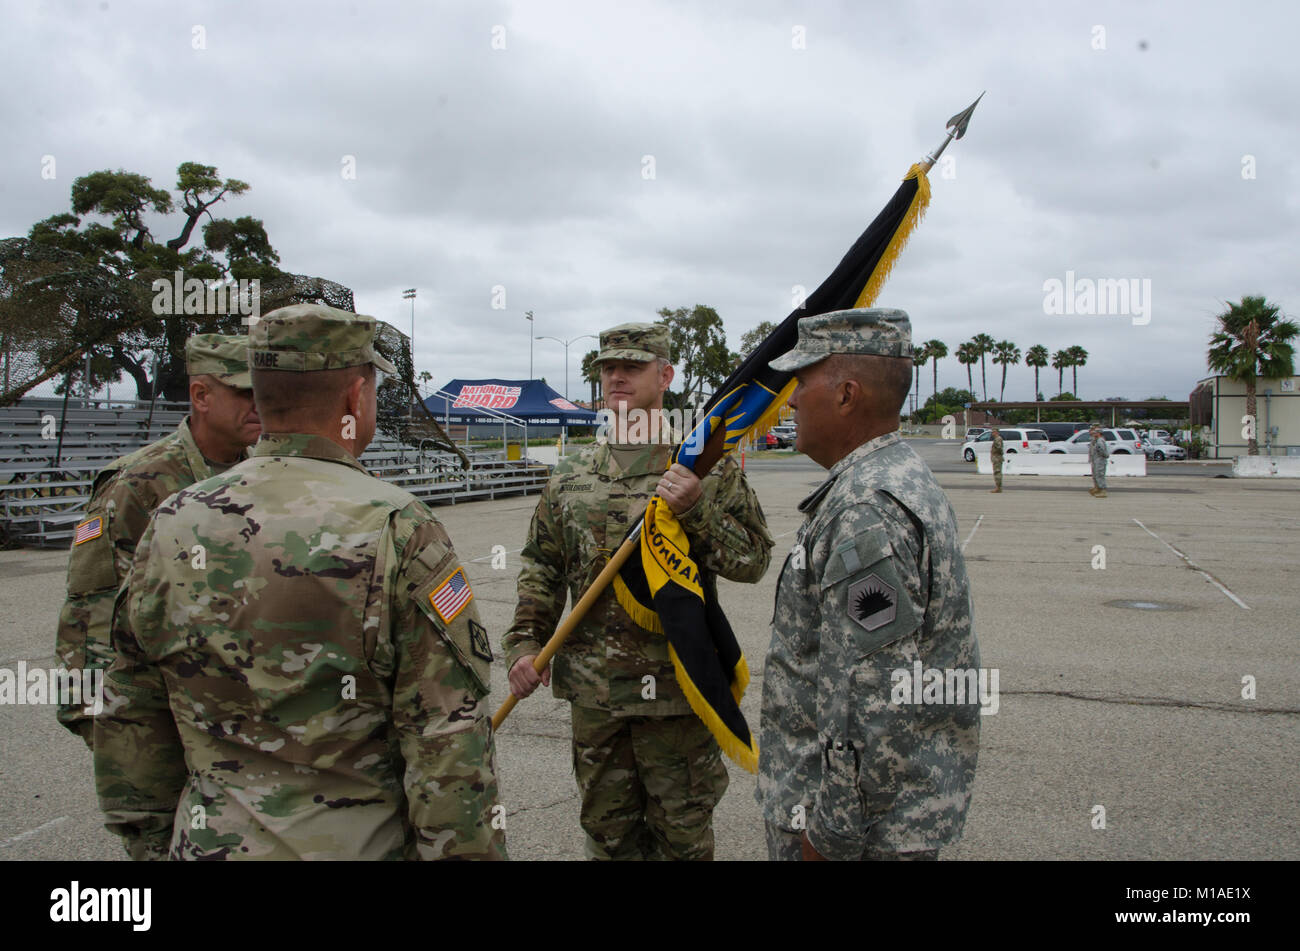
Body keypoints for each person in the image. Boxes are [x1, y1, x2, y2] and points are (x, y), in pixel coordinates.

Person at [94, 304, 505, 860]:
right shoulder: (398, 526)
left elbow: (132, 711)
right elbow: (447, 745)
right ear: (354, 398)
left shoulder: (173, 519)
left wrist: (151, 843)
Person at [503, 322, 773, 860]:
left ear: (665, 375)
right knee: (607, 839)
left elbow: (754, 562)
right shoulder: (572, 474)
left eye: (632, 366)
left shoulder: (704, 468)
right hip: (595, 698)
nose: (617, 377)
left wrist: (697, 509)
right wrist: (525, 644)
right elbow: (542, 567)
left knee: (682, 840)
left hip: (676, 695)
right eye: (608, 368)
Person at [756, 308, 980, 861]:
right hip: (886, 819)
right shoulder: (891, 477)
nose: (789, 400)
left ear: (846, 394)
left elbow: (870, 697)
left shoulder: (864, 510)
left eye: (802, 381)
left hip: (855, 836)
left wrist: (827, 838)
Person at [55, 333, 260, 747]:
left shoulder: (260, 477)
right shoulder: (136, 484)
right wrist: (95, 717)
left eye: (267, 392)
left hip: (235, 705)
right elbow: (93, 608)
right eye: (244, 392)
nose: (261, 405)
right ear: (201, 395)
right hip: (159, 707)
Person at [1089, 425, 1110, 497]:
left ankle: (1103, 490)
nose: (1094, 434)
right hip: (1097, 460)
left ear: (1099, 433)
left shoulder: (1100, 441)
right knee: (1097, 475)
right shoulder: (1097, 440)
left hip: (1100, 460)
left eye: (1095, 433)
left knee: (1100, 475)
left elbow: (1103, 452)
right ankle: (1098, 488)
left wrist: (1103, 457)